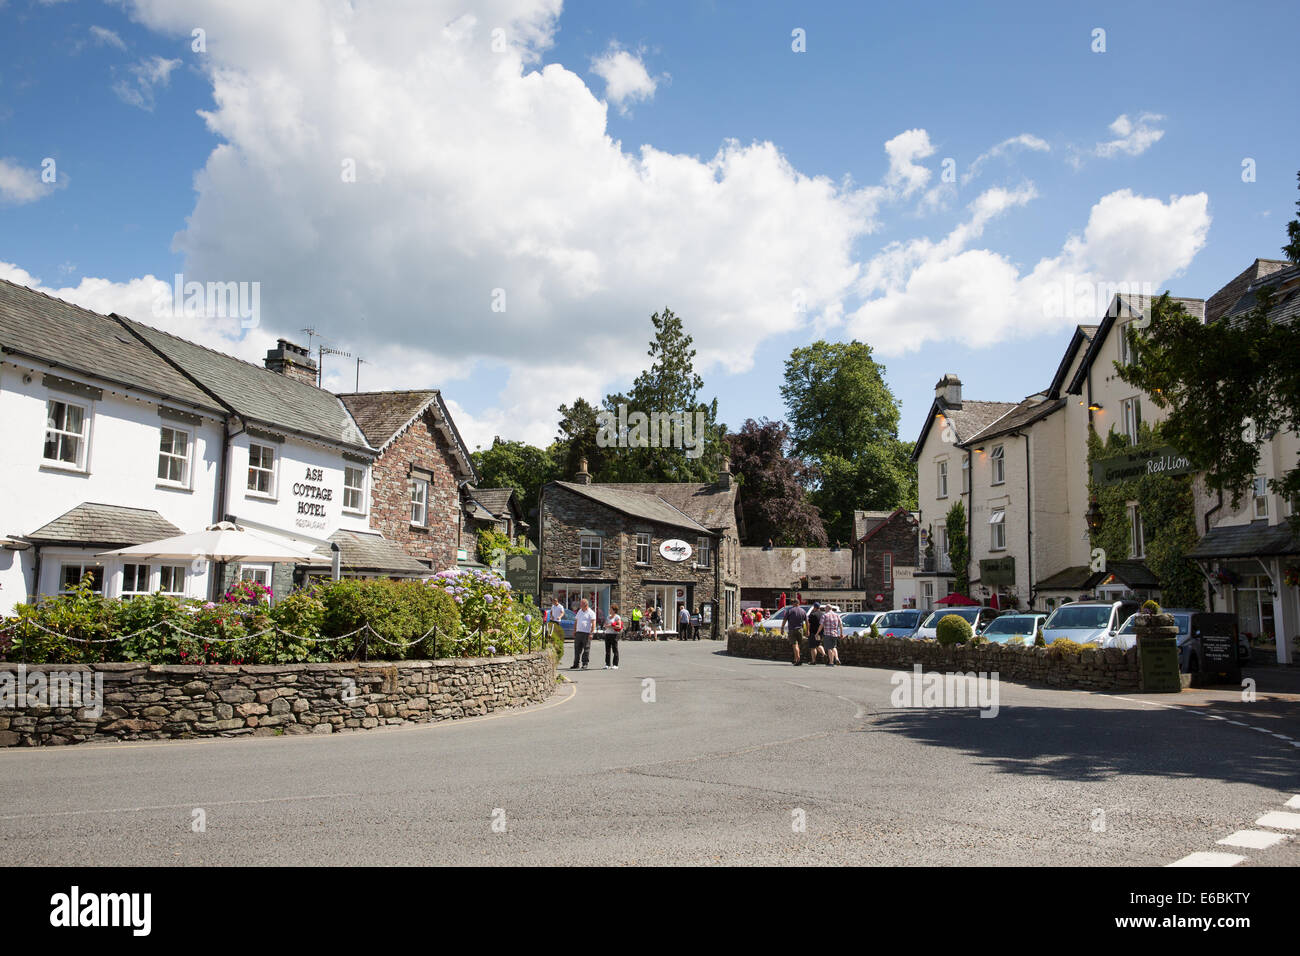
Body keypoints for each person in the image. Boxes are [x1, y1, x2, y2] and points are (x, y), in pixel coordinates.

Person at [571, 598, 596, 670]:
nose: (580, 605)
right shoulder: (580, 611)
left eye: (581, 604)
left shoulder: (591, 612)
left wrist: (591, 633)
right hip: (579, 632)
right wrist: (574, 631)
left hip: (586, 633)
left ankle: (585, 664)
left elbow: (593, 623)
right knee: (577, 649)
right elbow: (576, 621)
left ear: (586, 605)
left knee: (586, 649)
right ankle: (576, 664)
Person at [783, 601, 808, 665]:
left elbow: (785, 620)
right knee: (798, 645)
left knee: (795, 645)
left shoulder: (790, 610)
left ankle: (798, 659)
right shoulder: (803, 611)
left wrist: (782, 628)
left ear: (793, 604)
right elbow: (807, 621)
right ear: (799, 604)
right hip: (800, 630)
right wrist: (808, 630)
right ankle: (795, 659)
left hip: (792, 629)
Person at [604, 604, 622, 669]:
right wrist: (605, 625)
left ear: (614, 610)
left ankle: (615, 664)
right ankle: (607, 664)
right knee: (607, 650)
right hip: (607, 634)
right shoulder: (608, 616)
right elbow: (606, 624)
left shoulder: (617, 617)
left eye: (610, 609)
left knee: (615, 649)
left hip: (614, 634)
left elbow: (619, 626)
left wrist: (610, 626)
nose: (609, 610)